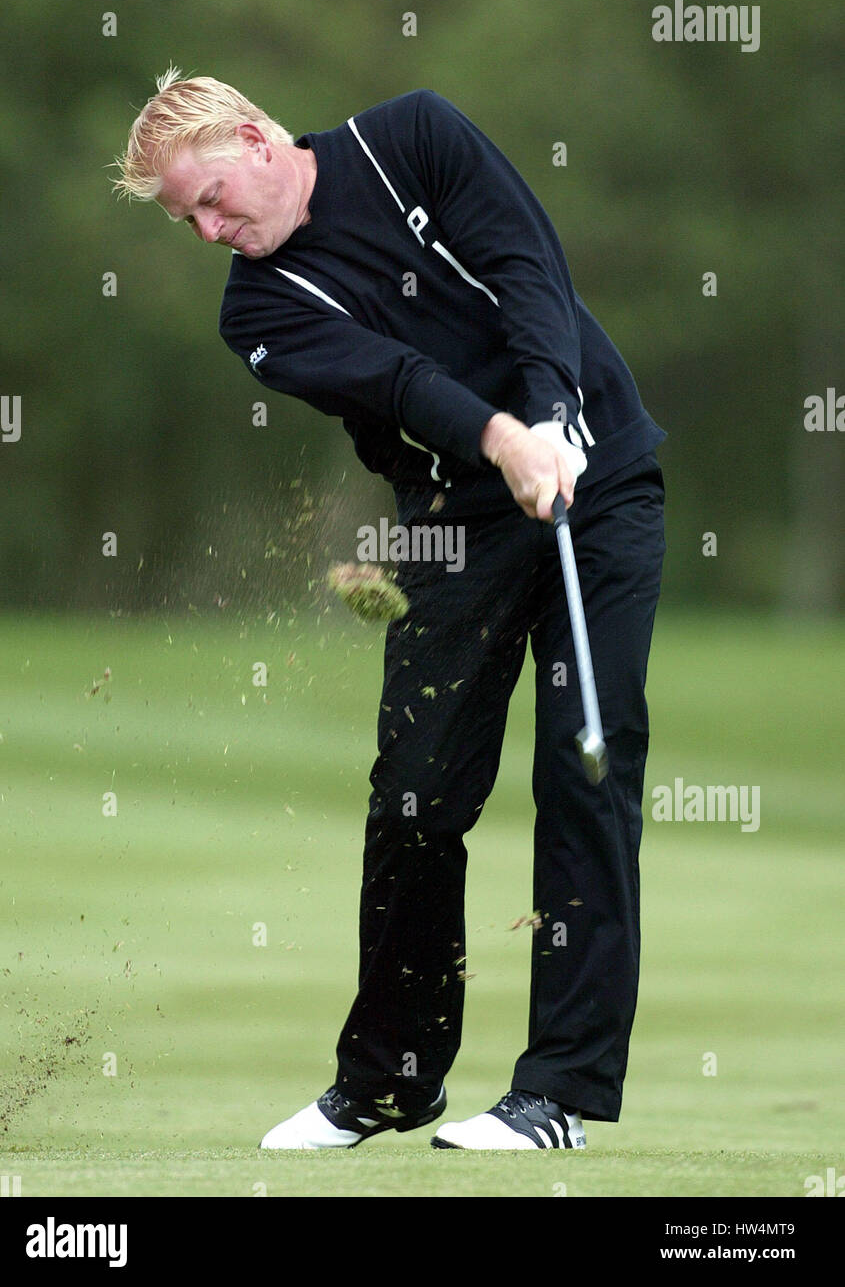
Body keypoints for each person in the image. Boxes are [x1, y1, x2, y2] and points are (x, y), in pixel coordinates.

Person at [113, 70, 666, 1151]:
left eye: (213, 197)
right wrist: (504, 441)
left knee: (583, 767)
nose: (211, 229)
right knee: (413, 795)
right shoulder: (258, 313)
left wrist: (550, 415)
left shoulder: (411, 138)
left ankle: (555, 1091)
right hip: (456, 517)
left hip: (594, 481)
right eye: (189, 222)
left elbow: (526, 264)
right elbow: (404, 378)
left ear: (254, 136)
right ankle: (387, 1082)